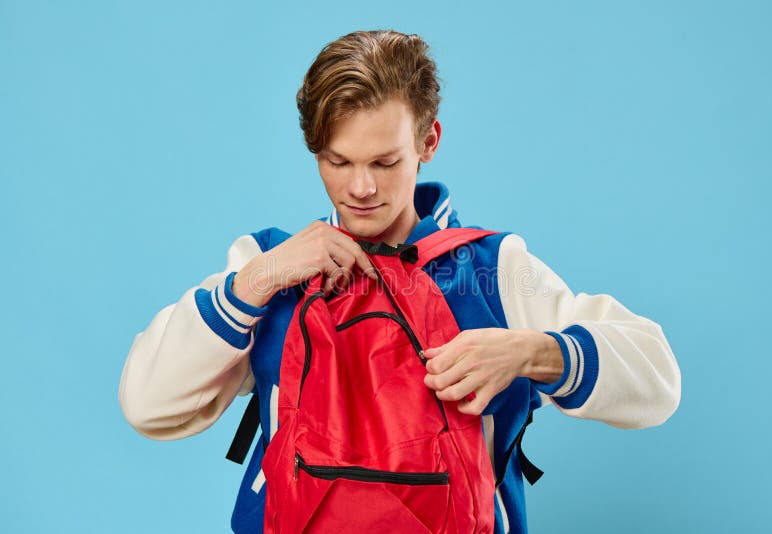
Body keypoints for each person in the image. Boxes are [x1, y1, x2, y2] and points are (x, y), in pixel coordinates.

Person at [119, 29, 681, 533]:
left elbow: (659, 383)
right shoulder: (268, 265)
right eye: (338, 162)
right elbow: (147, 405)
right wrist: (259, 279)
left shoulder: (493, 270)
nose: (360, 187)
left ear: (428, 142)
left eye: (384, 162)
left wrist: (535, 353)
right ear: (316, 151)